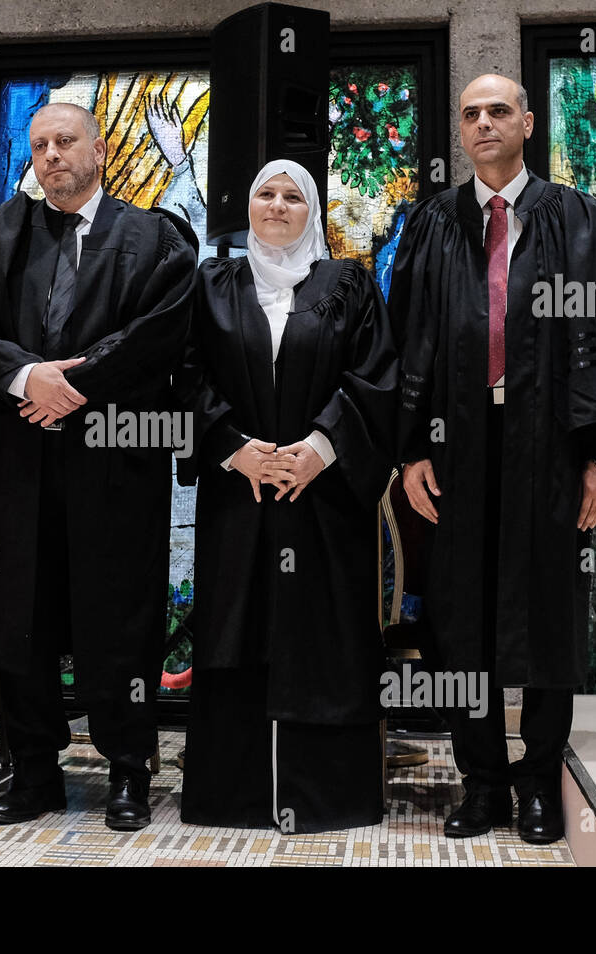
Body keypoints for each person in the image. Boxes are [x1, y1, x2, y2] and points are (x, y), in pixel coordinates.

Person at [388, 75, 596, 844]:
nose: (484, 122)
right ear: (460, 131)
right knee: (462, 613)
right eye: (471, 113)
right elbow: (408, 340)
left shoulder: (573, 217)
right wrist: (408, 451)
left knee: (550, 610)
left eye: (499, 111)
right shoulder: (434, 223)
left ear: (527, 122)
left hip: (548, 441)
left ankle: (537, 780)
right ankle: (482, 779)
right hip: (456, 441)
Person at [0, 102, 197, 831]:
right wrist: (29, 379)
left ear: (101, 148)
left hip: (116, 461)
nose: (52, 155)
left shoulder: (153, 237)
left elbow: (162, 329)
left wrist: (76, 385)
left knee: (119, 615)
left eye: (66, 141)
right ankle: (33, 770)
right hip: (18, 463)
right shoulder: (5, 233)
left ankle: (126, 768)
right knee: (20, 612)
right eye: (41, 145)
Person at [174, 160, 399, 834]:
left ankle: (330, 797)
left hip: (324, 504)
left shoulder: (348, 285)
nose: (277, 205)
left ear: (313, 212)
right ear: (247, 209)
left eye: (292, 196)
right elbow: (183, 374)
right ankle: (232, 797)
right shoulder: (212, 284)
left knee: (323, 636)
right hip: (238, 499)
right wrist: (234, 448)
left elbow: (378, 377)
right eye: (264, 193)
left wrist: (320, 450)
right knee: (236, 632)